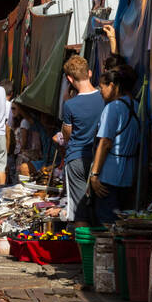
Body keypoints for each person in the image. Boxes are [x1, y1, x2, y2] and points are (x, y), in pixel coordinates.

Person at [56, 55, 104, 225]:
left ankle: (83, 250)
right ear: (90, 73)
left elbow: (67, 134)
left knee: (79, 212)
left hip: (76, 158)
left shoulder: (70, 105)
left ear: (69, 79)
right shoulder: (104, 98)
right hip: (100, 159)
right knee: (100, 209)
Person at [89, 66, 139, 222]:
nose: (100, 91)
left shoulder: (112, 108)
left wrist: (95, 175)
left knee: (107, 222)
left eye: (102, 87)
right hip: (129, 176)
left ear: (112, 86)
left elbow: (105, 142)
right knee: (122, 223)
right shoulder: (137, 106)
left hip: (109, 176)